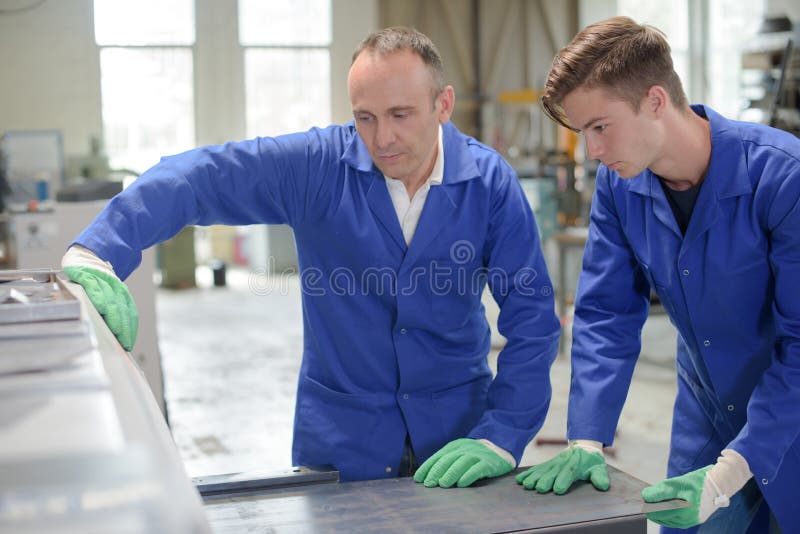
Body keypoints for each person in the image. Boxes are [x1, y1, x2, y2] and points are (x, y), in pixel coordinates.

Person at [62, 27, 561, 486]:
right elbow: (198, 176)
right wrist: (98, 248)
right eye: (365, 117)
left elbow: (533, 321)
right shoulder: (317, 169)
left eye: (400, 115)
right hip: (344, 446)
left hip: (459, 441)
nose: (381, 138)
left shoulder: (490, 184)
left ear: (443, 104)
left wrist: (503, 432)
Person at [514, 16, 799, 533]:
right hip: (707, 412)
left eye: (600, 127)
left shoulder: (783, 179)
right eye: (583, 133)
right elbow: (606, 312)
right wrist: (587, 436)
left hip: (791, 411)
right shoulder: (619, 186)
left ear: (655, 101)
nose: (593, 150)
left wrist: (736, 469)